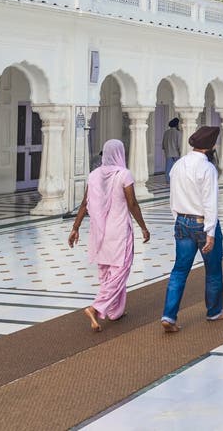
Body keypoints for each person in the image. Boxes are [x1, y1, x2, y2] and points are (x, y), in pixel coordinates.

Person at [69, 139, 150, 331]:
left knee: (106, 272)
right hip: (119, 230)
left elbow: (84, 204)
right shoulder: (124, 174)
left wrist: (75, 228)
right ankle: (96, 307)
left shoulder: (94, 175)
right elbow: (132, 204)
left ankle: (115, 311)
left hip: (100, 231)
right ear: (121, 153)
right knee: (120, 271)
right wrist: (143, 227)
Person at [161, 126, 223, 332]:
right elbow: (210, 202)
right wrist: (210, 232)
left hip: (182, 221)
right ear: (210, 146)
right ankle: (214, 312)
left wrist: (178, 218)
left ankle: (169, 315)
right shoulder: (207, 168)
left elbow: (173, 196)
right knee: (213, 270)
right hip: (202, 223)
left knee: (179, 270)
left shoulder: (179, 165)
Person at [162, 117, 181, 182]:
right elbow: (179, 145)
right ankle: (176, 180)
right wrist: (180, 152)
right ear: (176, 125)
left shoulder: (166, 132)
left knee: (168, 167)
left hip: (168, 153)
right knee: (177, 167)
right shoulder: (178, 133)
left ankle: (168, 180)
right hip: (176, 153)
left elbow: (163, 144)